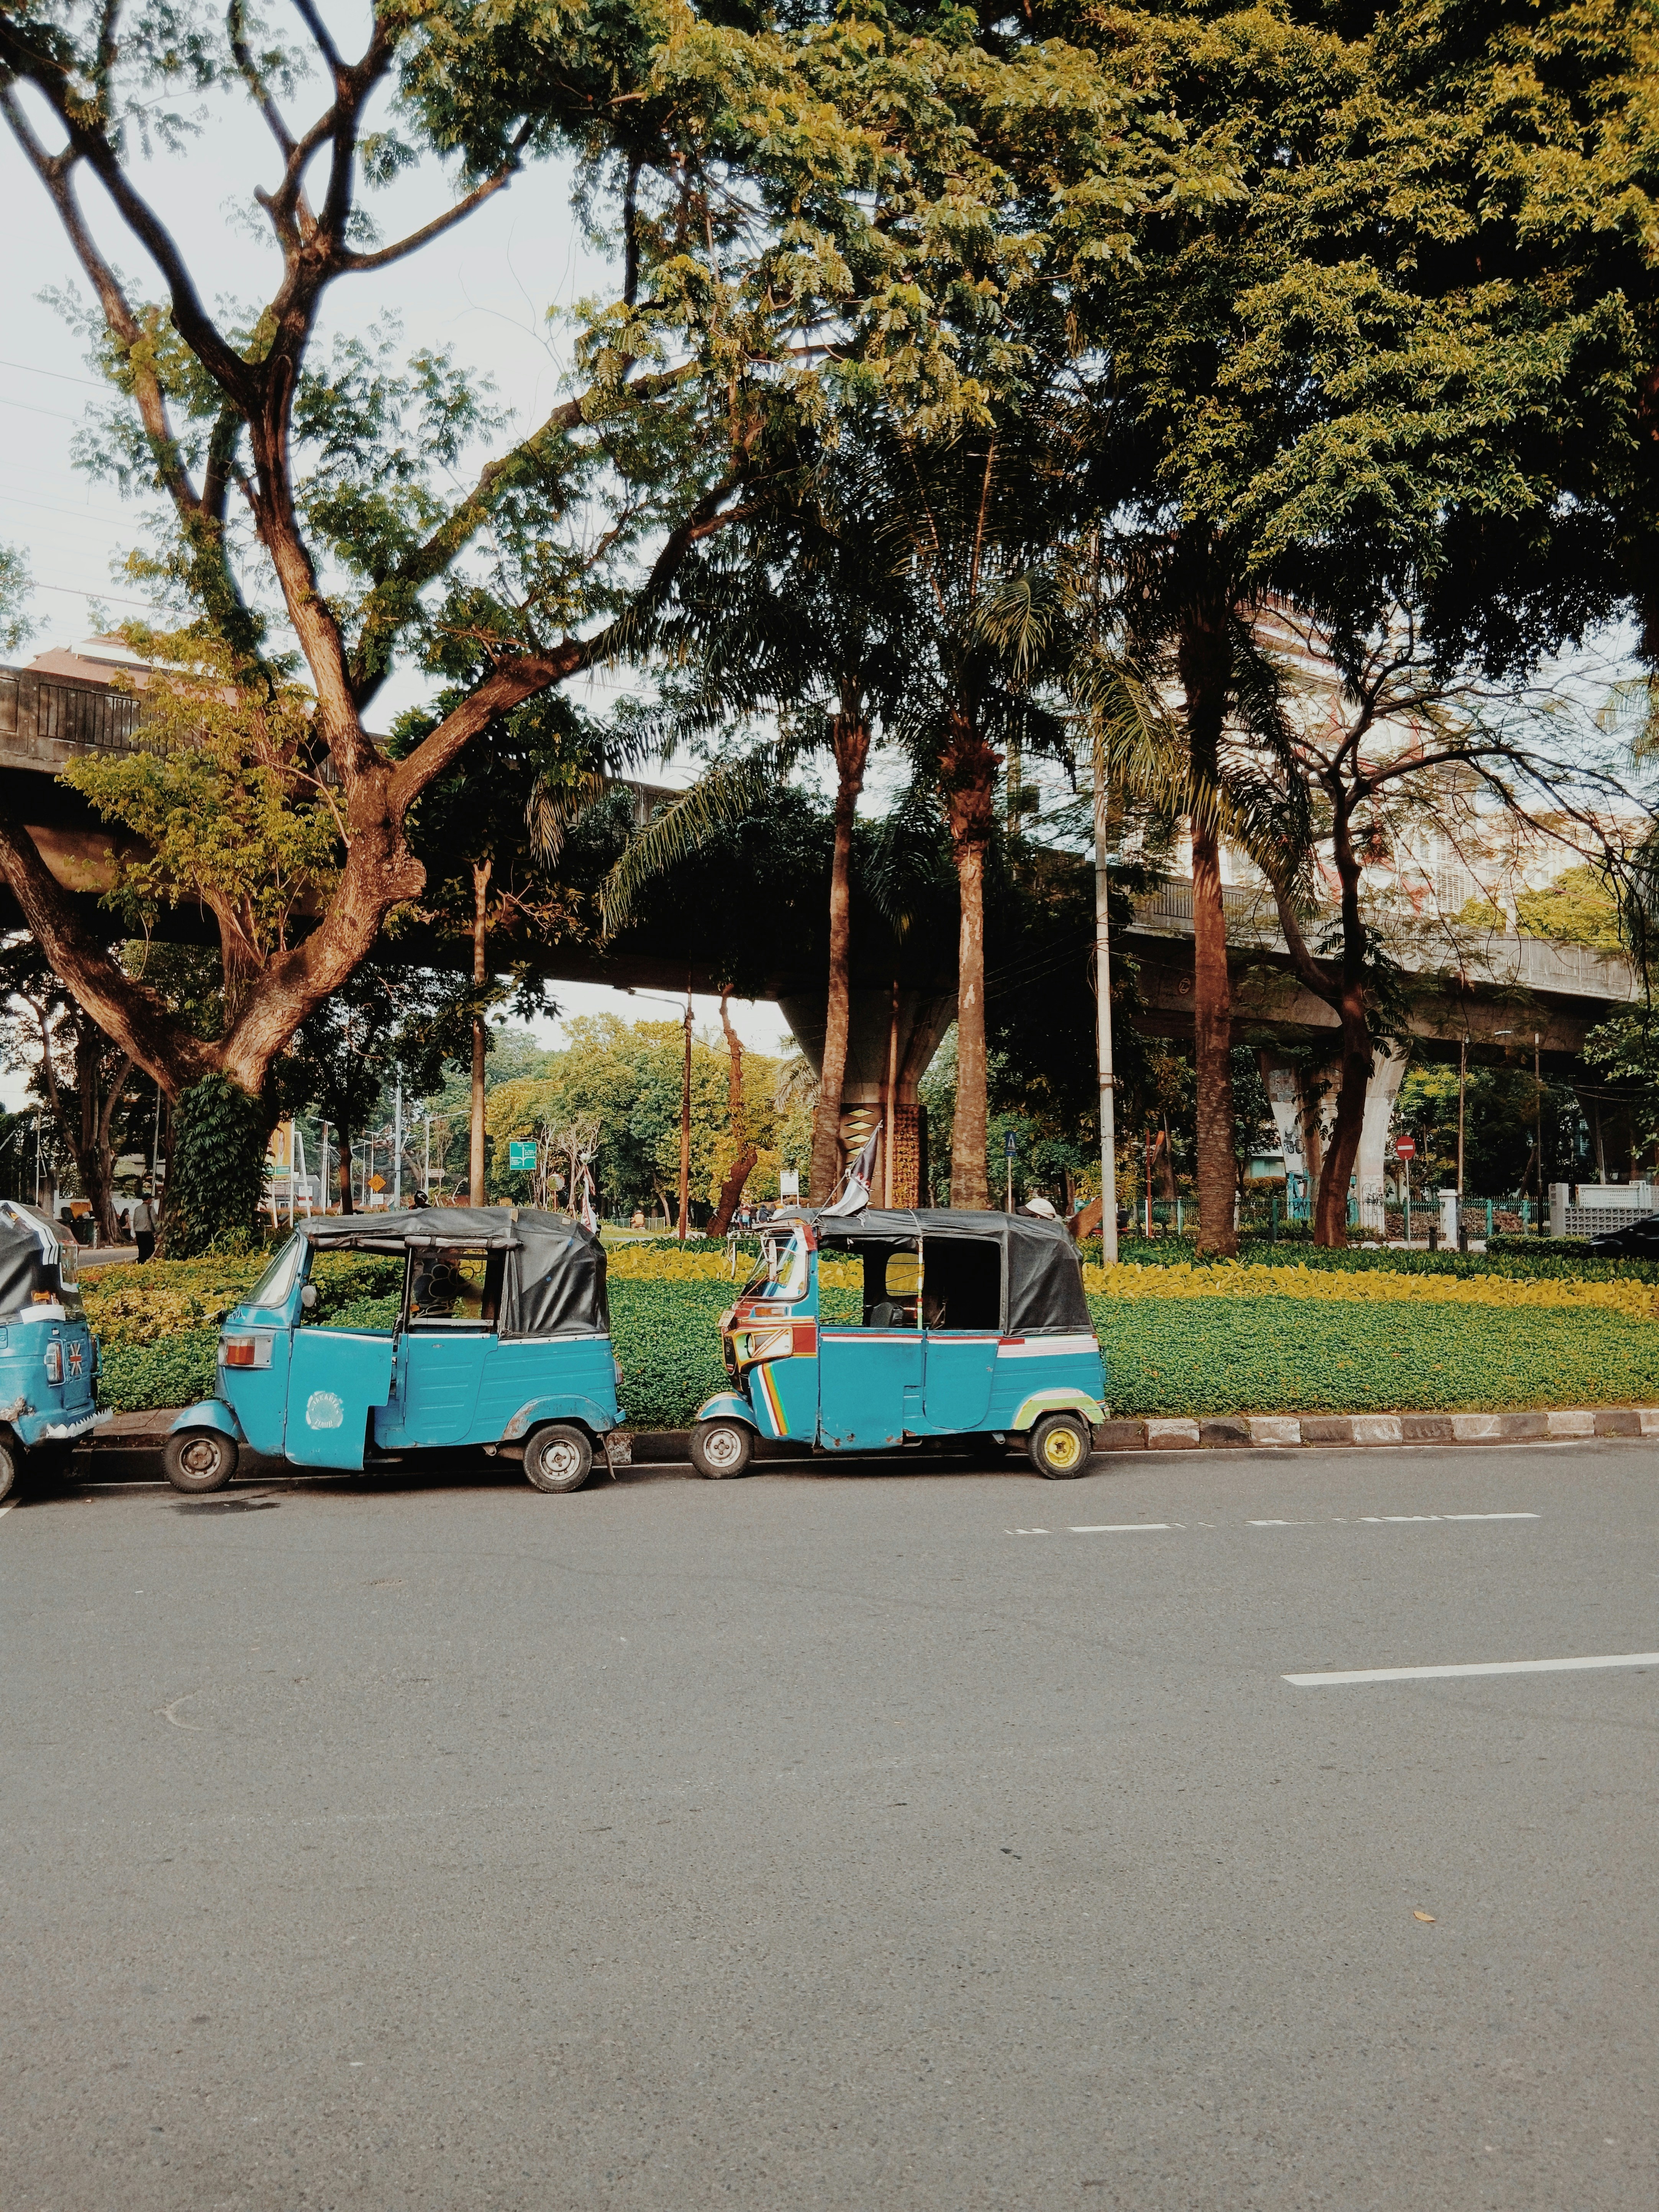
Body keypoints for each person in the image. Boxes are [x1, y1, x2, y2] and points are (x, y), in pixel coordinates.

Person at [129, 1194, 156, 1263]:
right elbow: (155, 1221)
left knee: (142, 1250)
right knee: (151, 1249)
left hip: (138, 1232)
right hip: (147, 1232)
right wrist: (159, 1232)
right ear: (149, 1199)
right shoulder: (151, 1209)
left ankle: (141, 1263)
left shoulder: (137, 1209)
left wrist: (135, 1231)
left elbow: (135, 1221)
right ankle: (140, 1261)